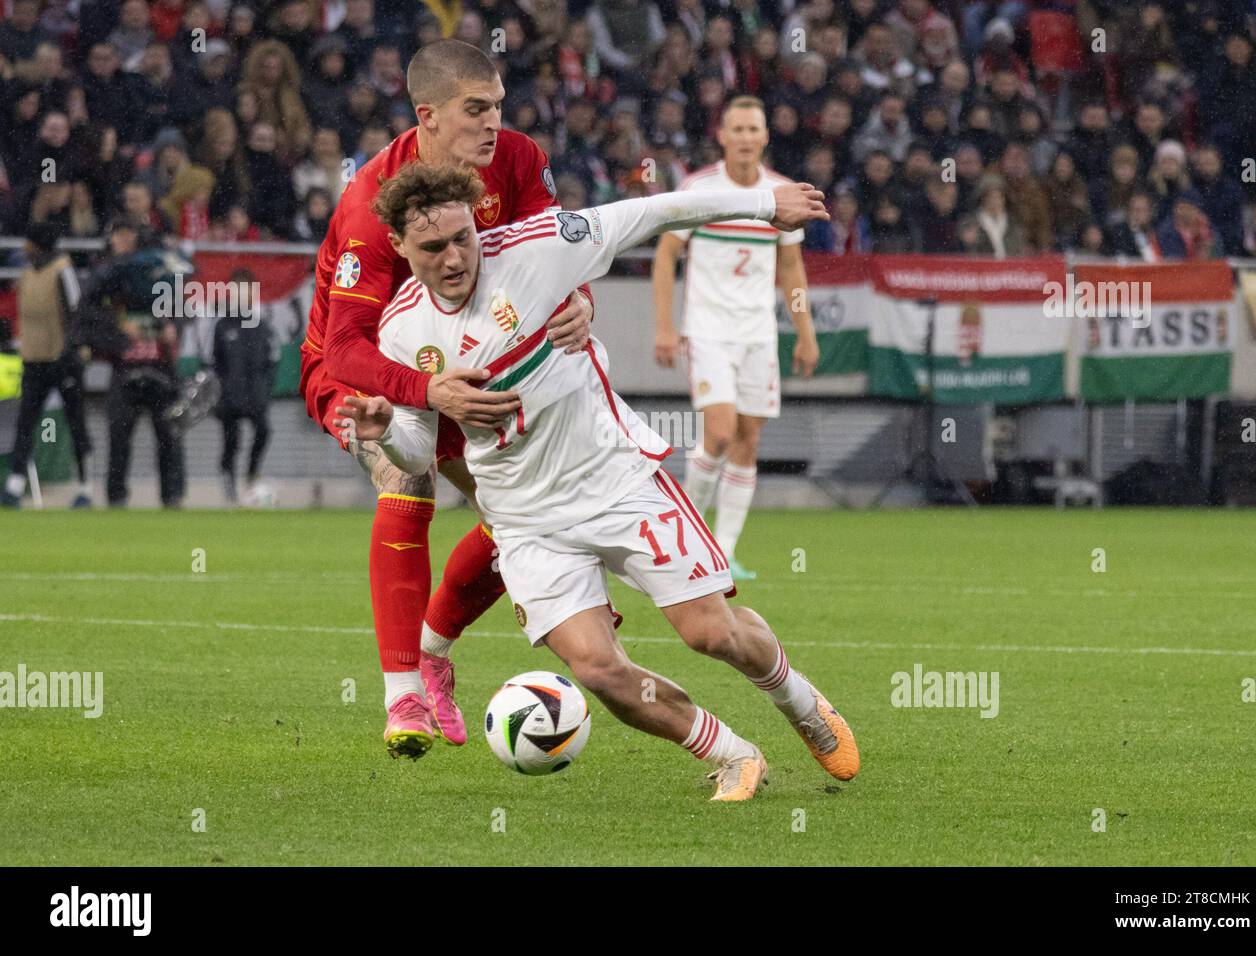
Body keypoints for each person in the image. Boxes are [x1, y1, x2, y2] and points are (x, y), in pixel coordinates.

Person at [336, 161, 857, 803]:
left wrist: (763, 203)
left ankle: (800, 703)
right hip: (525, 523)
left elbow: (653, 212)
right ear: (398, 247)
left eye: (463, 237)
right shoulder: (399, 332)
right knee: (600, 671)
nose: (454, 258)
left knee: (710, 634)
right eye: (433, 247)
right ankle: (731, 752)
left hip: (616, 481)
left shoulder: (539, 247)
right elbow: (416, 457)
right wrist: (386, 426)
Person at [299, 39, 594, 757]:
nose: (493, 123)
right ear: (427, 116)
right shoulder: (373, 201)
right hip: (364, 373)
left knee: (522, 513)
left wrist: (578, 299)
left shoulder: (518, 160)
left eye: (498, 106)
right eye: (475, 110)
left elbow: (557, 251)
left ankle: (433, 648)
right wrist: (425, 391)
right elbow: (344, 347)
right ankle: (402, 700)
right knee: (408, 477)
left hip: (461, 362)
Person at [650, 96, 818, 580]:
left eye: (753, 130)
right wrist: (665, 326)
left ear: (765, 137)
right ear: (722, 136)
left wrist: (804, 331)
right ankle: (692, 530)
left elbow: (792, 270)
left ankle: (722, 553)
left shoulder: (783, 193)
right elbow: (666, 256)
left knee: (747, 441)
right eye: (737, 129)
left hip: (758, 335)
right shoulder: (700, 188)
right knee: (719, 432)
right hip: (707, 331)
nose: (745, 138)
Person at [80, 221, 188, 508]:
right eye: (117, 235)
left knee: (169, 436)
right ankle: (116, 499)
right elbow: (86, 315)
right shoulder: (105, 276)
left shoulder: (160, 271)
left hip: (161, 367)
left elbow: (181, 307)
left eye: (127, 236)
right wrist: (118, 330)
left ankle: (172, 498)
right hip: (125, 368)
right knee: (118, 438)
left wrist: (173, 328)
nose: (122, 241)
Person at [1, 222, 93, 509]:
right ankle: (15, 484)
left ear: (38, 245)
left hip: (61, 360)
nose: (25, 249)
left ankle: (85, 485)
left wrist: (71, 350)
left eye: (29, 243)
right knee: (25, 422)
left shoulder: (62, 270)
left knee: (76, 423)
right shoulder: (28, 275)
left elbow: (77, 310)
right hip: (34, 359)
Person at [212, 268, 276, 505]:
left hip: (256, 395)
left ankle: (251, 475)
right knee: (231, 441)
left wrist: (264, 390)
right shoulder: (222, 326)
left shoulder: (261, 327)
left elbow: (270, 362)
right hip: (230, 397)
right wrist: (221, 391)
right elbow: (216, 362)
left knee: (264, 431)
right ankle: (229, 489)